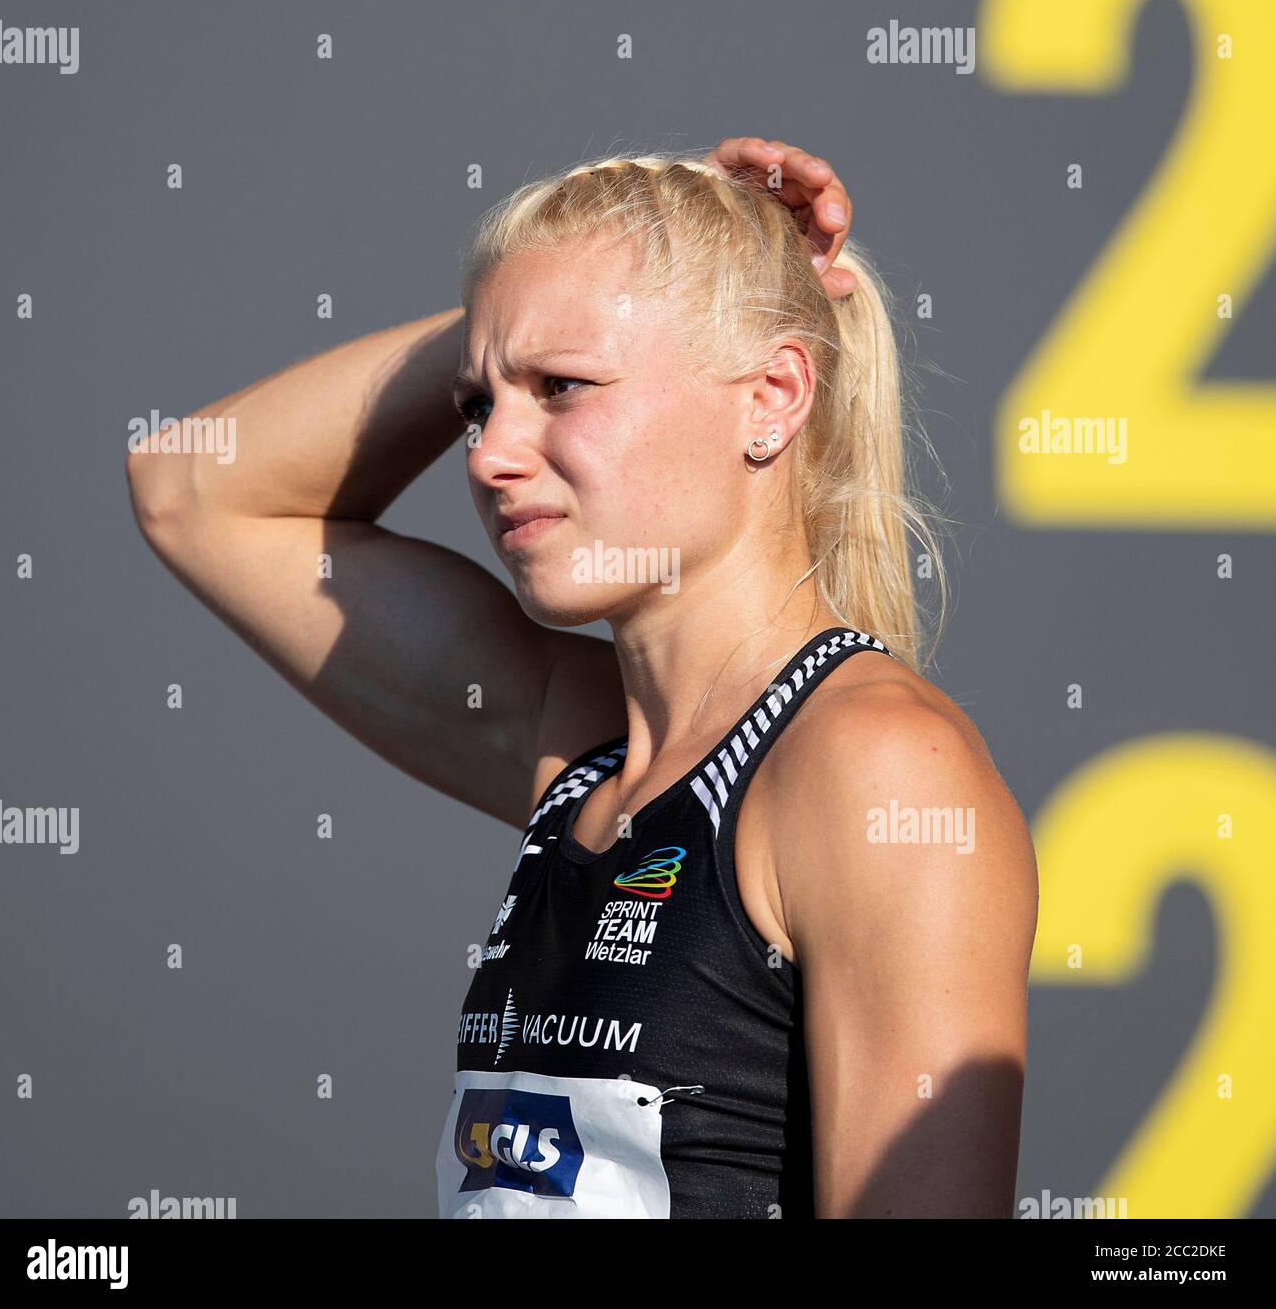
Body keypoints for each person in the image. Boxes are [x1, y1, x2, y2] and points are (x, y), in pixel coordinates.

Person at [126, 136, 1038, 1219]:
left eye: (564, 387)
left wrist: (680, 270)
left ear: (772, 397)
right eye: (480, 405)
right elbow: (188, 487)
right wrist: (542, 308)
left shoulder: (878, 770)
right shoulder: (580, 738)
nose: (488, 453)